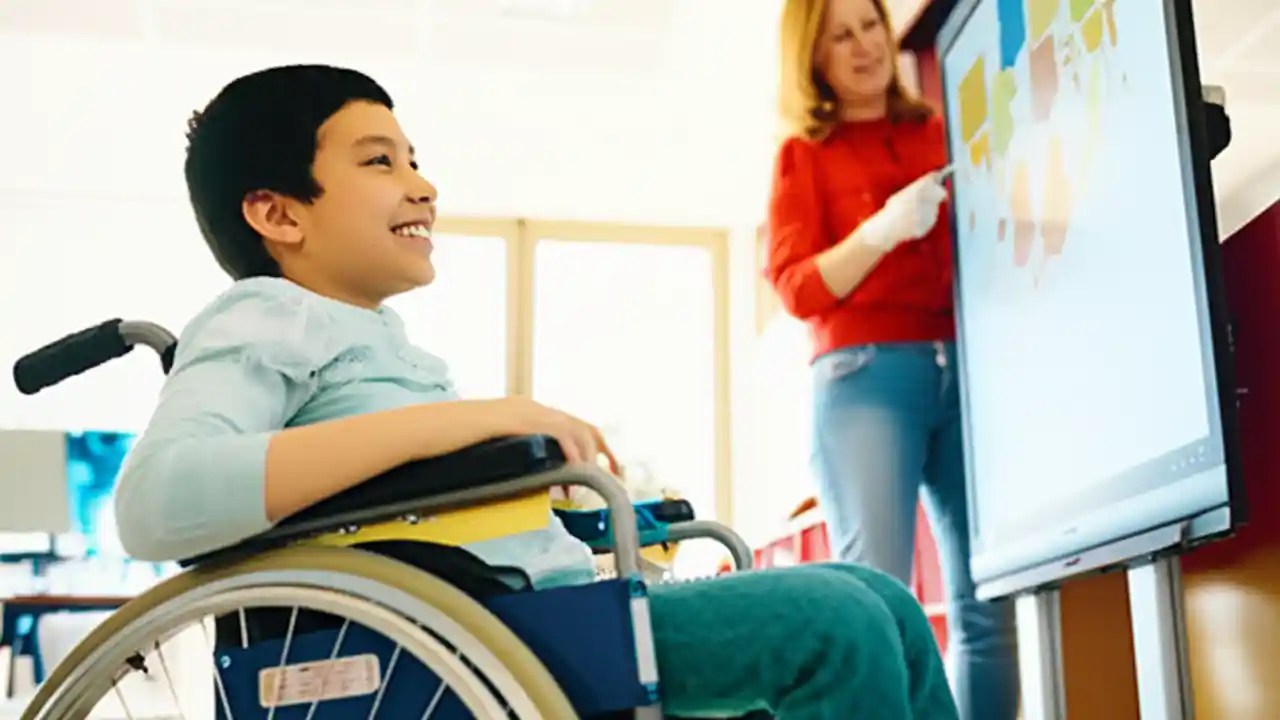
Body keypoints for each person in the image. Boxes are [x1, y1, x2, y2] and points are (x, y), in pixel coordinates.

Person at [114, 64, 958, 719]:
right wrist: (465, 424)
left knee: (885, 601)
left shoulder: (378, 340)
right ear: (278, 214)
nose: (422, 185)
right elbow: (156, 502)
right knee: (836, 624)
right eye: (378, 161)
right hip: (463, 639)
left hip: (516, 617)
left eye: (414, 160)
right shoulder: (267, 314)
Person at [766, 0, 1020, 718]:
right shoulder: (804, 154)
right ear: (814, 58)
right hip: (866, 378)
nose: (864, 46)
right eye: (840, 36)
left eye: (870, 26)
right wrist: (879, 232)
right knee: (879, 605)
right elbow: (797, 288)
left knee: (989, 602)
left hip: (963, 370)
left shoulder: (939, 132)